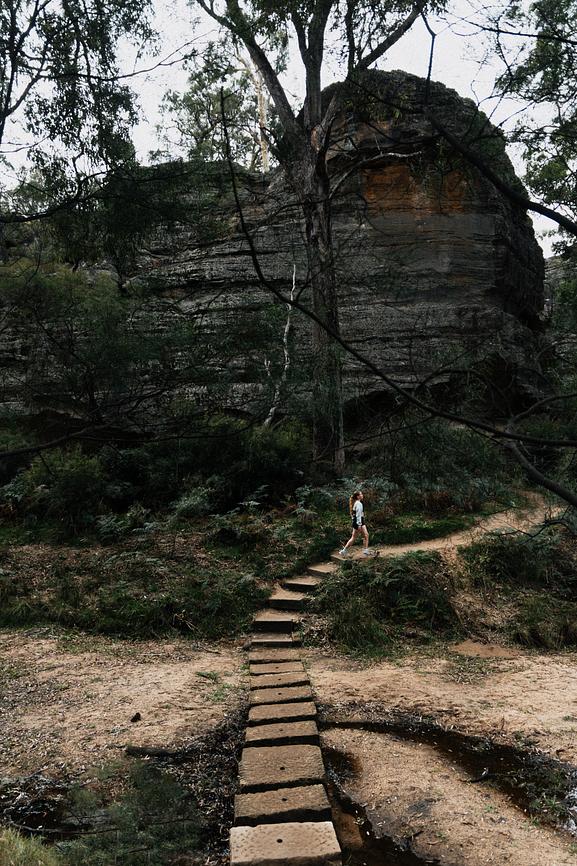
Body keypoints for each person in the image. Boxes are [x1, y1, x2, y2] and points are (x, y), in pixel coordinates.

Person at [339, 490, 370, 557]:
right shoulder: (358, 504)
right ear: (358, 496)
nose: (362, 495)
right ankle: (344, 551)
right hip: (359, 522)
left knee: (365, 535)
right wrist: (359, 524)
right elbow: (358, 515)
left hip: (359, 521)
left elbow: (353, 515)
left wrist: (357, 521)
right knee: (358, 537)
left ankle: (365, 550)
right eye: (361, 494)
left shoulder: (356, 503)